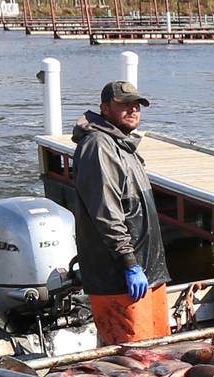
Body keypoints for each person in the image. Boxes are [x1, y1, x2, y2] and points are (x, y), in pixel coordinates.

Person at [70, 80, 171, 345]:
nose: (133, 109)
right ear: (105, 108)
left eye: (137, 104)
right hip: (119, 280)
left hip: (149, 275)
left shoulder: (123, 145)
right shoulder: (99, 146)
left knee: (160, 355)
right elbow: (106, 214)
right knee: (131, 362)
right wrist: (130, 264)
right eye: (124, 104)